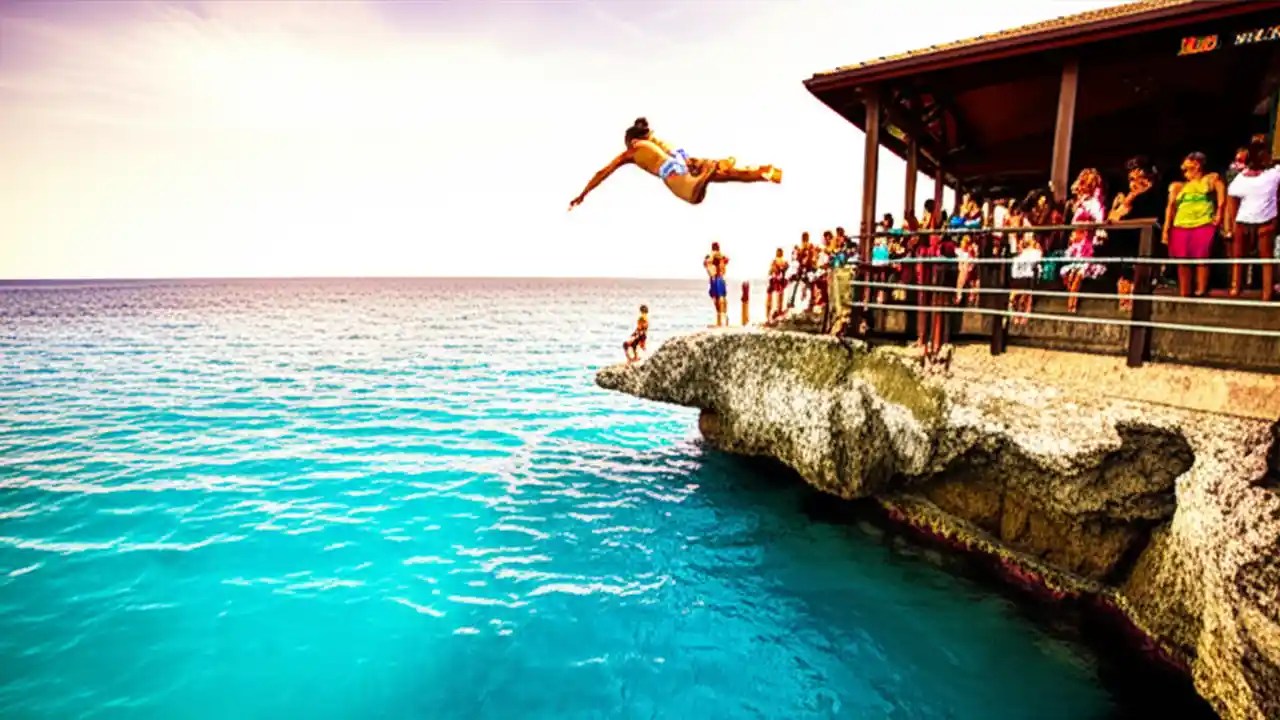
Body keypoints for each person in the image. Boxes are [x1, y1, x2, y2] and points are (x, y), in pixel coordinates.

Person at [568, 118, 781, 210]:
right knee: (730, 175)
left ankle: (709, 171)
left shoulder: (631, 152)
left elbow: (602, 172)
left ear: (631, 140)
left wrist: (583, 194)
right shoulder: (663, 147)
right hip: (685, 164)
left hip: (677, 179)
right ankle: (761, 173)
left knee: (695, 194)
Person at [1163, 151, 1225, 297]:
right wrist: (1166, 229)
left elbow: (1222, 197)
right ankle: (1185, 291)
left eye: (1186, 165)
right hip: (1181, 224)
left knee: (1202, 257)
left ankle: (1201, 290)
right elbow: (1170, 208)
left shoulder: (1210, 179)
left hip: (1203, 222)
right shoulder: (1178, 186)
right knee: (1182, 260)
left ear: (1196, 164)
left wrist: (1219, 214)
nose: (1183, 168)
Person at [1227, 140, 1280, 300]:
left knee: (1266, 258)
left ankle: (1267, 292)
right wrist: (1233, 225)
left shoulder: (1274, 173)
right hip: (1244, 221)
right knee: (1238, 257)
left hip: (1266, 221)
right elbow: (1232, 202)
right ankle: (1236, 287)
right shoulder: (1240, 178)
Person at [1107, 156, 1164, 290]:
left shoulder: (1154, 197)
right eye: (1130, 179)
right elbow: (1112, 218)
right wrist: (1126, 201)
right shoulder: (1127, 198)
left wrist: (1133, 198)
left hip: (1144, 249)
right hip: (1125, 250)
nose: (1133, 183)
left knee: (1138, 286)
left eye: (1136, 178)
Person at [1062, 168, 1108, 313]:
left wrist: (1096, 232)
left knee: (1078, 274)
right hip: (1075, 242)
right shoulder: (1078, 203)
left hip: (1085, 242)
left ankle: (1072, 305)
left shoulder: (1094, 203)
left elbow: (1099, 220)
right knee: (1068, 274)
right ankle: (1070, 301)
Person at [704, 242, 730, 326]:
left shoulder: (719, 257)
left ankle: (723, 319)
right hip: (715, 279)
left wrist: (717, 257)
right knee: (717, 299)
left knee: (721, 299)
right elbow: (706, 263)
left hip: (718, 278)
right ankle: (721, 319)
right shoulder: (712, 257)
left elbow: (726, 260)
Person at [766, 248, 789, 322]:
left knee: (777, 295)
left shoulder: (780, 261)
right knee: (777, 295)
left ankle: (775, 312)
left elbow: (771, 271)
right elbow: (771, 270)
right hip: (778, 279)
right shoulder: (781, 261)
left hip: (778, 280)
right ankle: (775, 312)